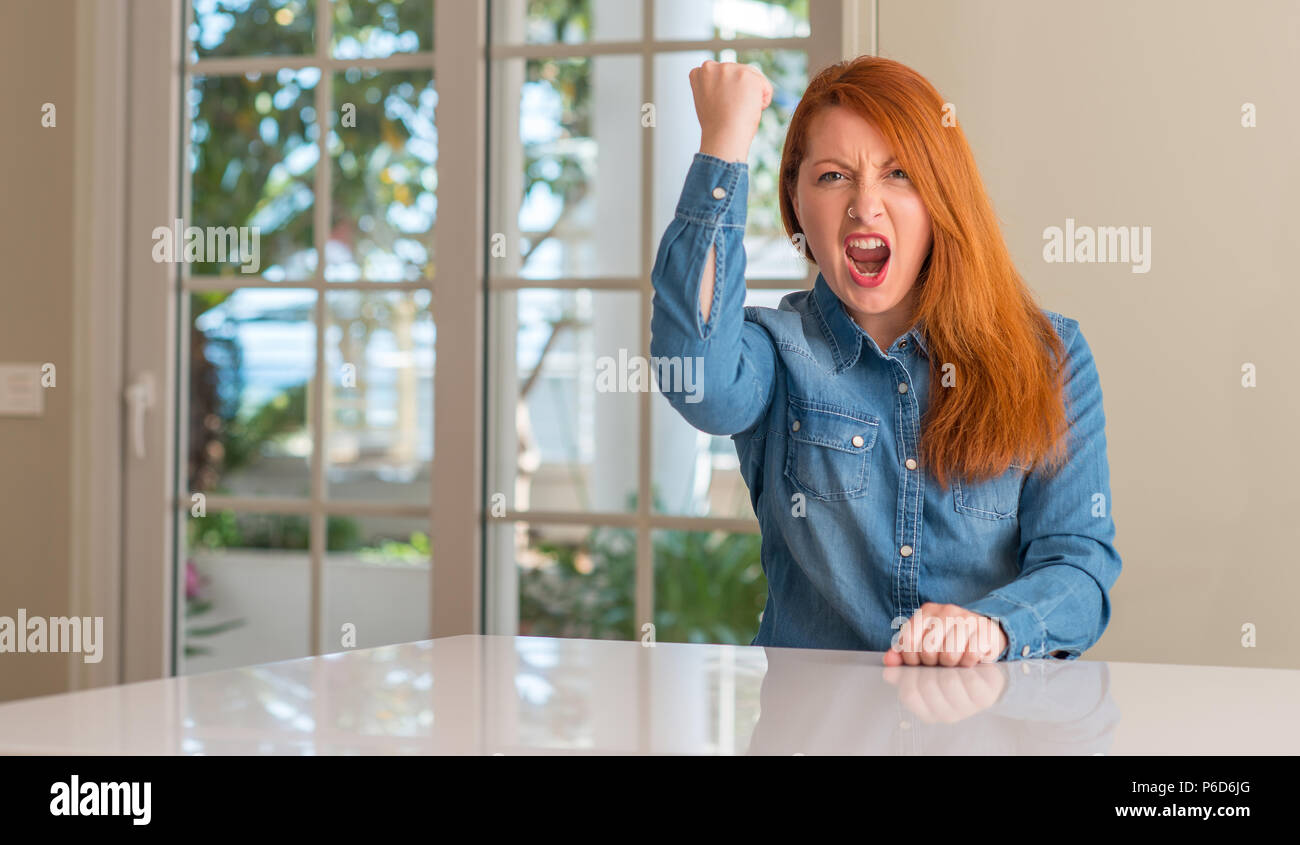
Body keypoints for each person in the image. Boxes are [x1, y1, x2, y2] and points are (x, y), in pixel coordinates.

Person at [649, 55, 1121, 666]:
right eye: (831, 177)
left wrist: (992, 628)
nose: (865, 207)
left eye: (898, 174)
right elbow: (699, 382)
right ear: (796, 203)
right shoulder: (773, 352)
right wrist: (725, 143)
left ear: (940, 198)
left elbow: (1079, 569)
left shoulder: (1050, 356)